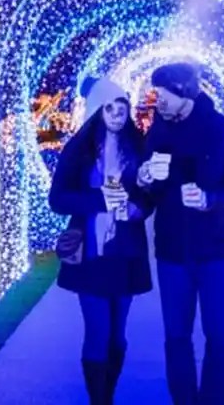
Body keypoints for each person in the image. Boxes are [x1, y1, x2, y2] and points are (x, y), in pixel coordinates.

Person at [137, 62, 224, 405]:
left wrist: (211, 199)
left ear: (185, 91)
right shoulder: (158, 133)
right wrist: (145, 179)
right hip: (172, 252)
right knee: (176, 337)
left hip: (217, 252)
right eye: (155, 93)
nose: (156, 100)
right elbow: (150, 195)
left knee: (219, 337)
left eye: (163, 94)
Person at [49, 77, 153, 405]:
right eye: (109, 107)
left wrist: (137, 208)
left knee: (118, 337)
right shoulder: (78, 152)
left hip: (126, 253)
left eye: (121, 108)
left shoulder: (138, 148)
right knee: (98, 332)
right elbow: (58, 200)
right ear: (97, 111)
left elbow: (148, 198)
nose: (117, 114)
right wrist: (99, 201)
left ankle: (109, 391)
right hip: (91, 254)